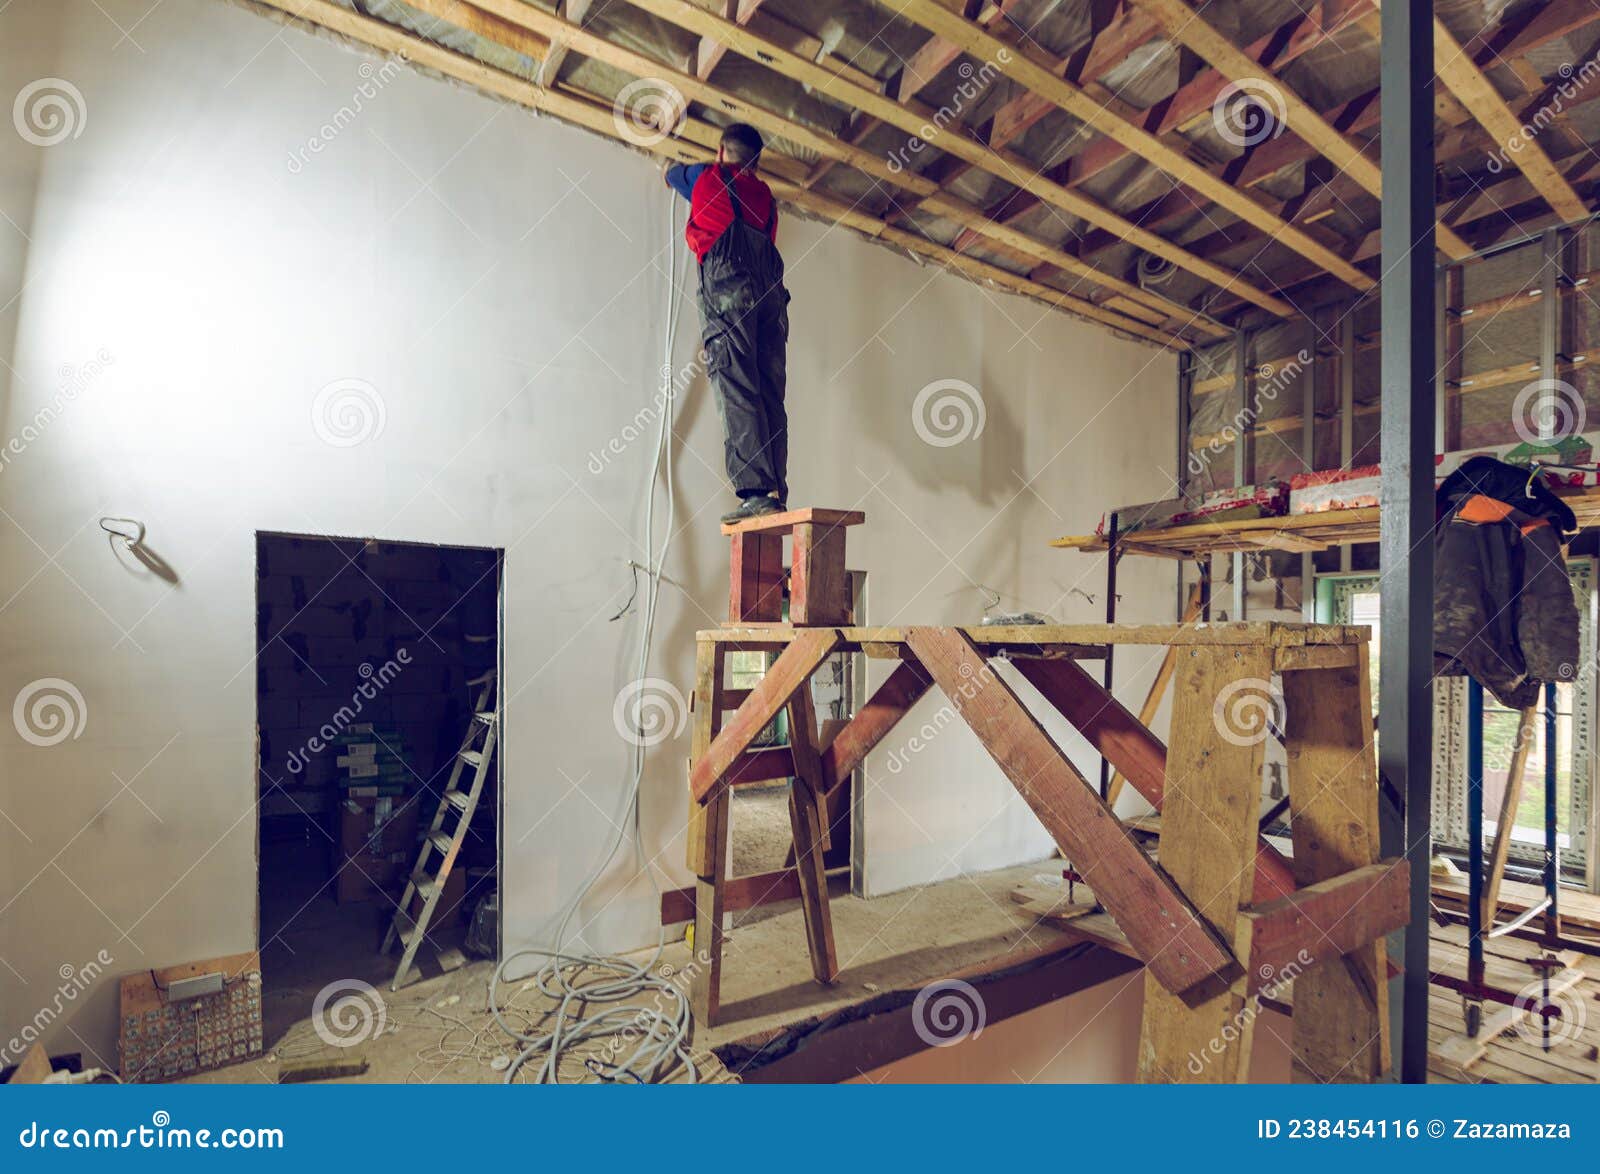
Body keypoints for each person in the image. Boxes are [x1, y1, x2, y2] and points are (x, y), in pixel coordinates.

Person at [664, 123, 790, 524]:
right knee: (769, 393)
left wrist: (676, 167)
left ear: (721, 152)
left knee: (736, 381)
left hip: (731, 290)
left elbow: (672, 174)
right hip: (771, 297)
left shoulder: (707, 177)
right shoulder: (767, 199)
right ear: (757, 163)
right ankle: (775, 489)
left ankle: (756, 493)